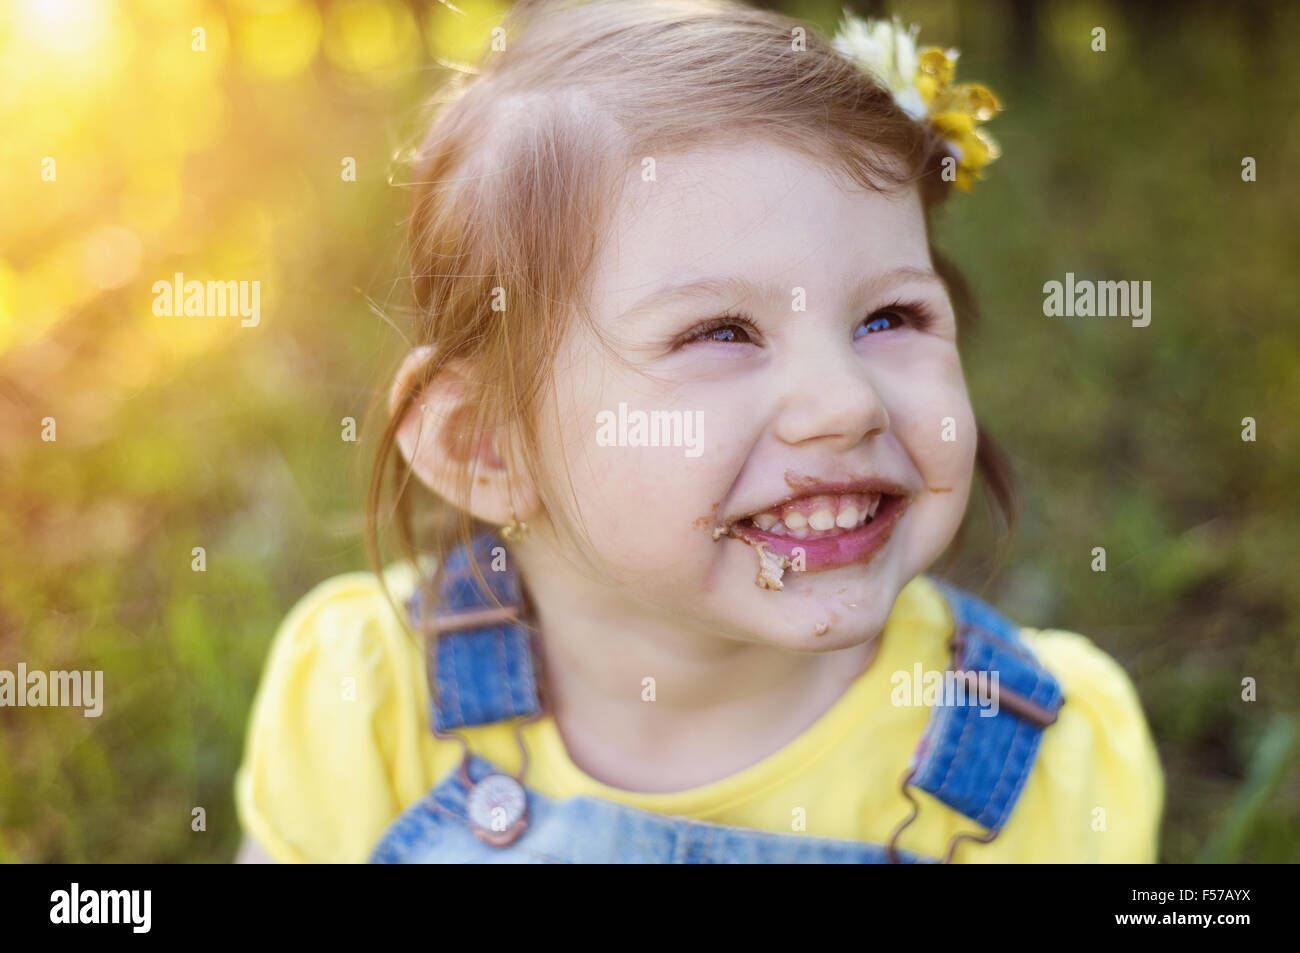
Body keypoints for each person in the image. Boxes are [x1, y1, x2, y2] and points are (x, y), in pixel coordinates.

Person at [235, 0, 1162, 863]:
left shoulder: (1045, 755)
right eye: (720, 333)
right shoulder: (364, 703)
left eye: (888, 318)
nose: (847, 403)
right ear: (488, 445)